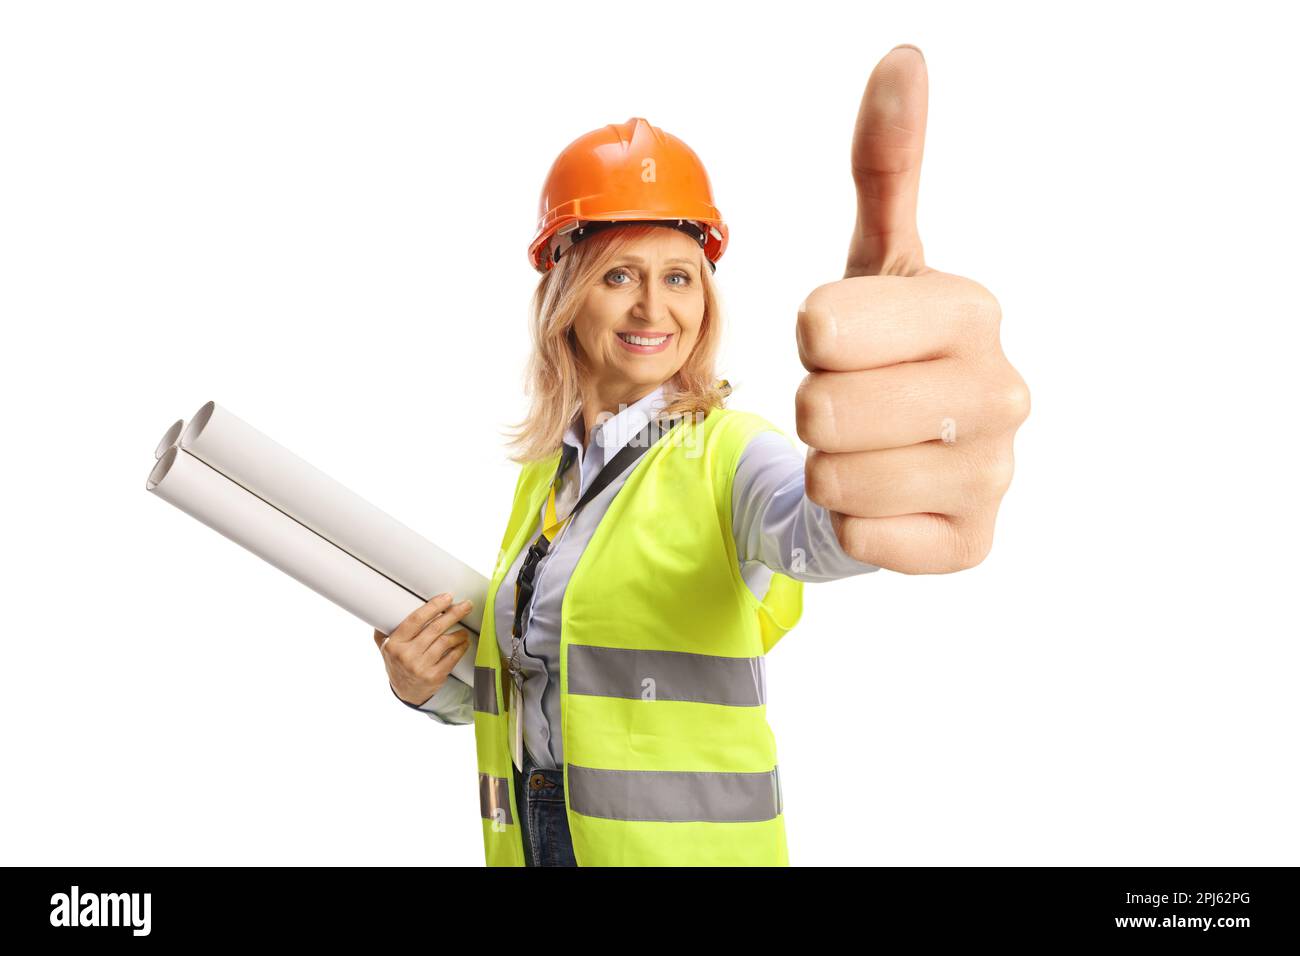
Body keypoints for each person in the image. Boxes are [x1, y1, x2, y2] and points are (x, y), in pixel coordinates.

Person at [374, 46, 1029, 867]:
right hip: (539, 839)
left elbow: (813, 528)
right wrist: (428, 687)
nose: (655, 306)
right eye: (620, 275)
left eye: (680, 277)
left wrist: (888, 467)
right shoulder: (549, 479)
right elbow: (543, 678)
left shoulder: (733, 455)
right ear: (566, 297)